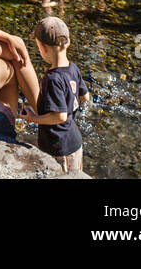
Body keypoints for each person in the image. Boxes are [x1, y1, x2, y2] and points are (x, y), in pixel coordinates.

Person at [24, 15, 90, 173]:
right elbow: (85, 96)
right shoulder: (73, 68)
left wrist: (33, 118)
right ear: (68, 43)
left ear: (43, 48)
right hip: (74, 141)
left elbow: (60, 116)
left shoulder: (52, 79)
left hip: (59, 148)